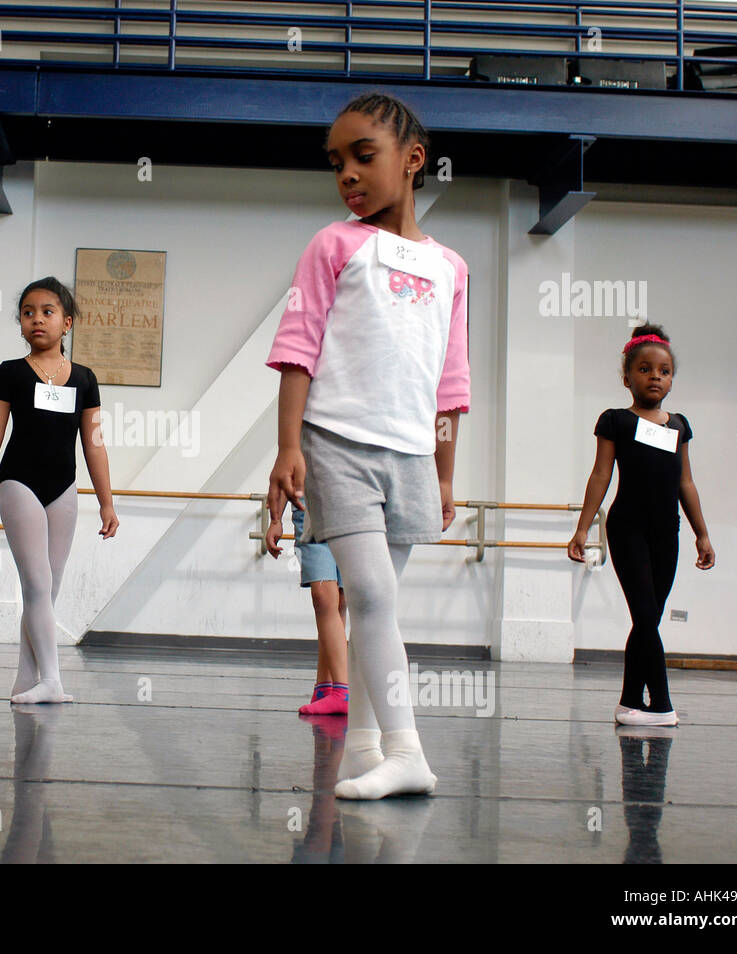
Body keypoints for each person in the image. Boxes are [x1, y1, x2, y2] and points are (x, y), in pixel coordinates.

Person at [265, 93, 470, 800]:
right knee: (373, 592)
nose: (347, 175)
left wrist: (445, 476)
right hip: (337, 442)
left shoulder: (452, 267)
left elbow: (451, 380)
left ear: (413, 160)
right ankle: (408, 751)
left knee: (376, 605)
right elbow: (298, 351)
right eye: (337, 164)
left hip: (412, 452)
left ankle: (360, 745)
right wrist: (288, 446)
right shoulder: (333, 246)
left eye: (363, 156)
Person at [0, 277, 118, 704]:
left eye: (48, 312)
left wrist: (107, 501)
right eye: (28, 312)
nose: (37, 319)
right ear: (20, 323)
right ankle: (52, 681)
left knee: (47, 590)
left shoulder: (85, 380)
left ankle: (25, 678)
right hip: (19, 483)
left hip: (64, 489)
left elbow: (94, 443)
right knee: (36, 583)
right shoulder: (11, 373)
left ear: (66, 323)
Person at [568, 324, 714, 727]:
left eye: (663, 371)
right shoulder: (615, 420)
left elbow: (686, 481)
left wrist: (702, 533)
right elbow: (600, 475)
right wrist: (583, 528)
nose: (655, 377)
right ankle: (663, 704)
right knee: (646, 613)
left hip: (667, 533)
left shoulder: (678, 426)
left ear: (671, 379)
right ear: (627, 376)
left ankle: (630, 701)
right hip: (628, 528)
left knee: (647, 618)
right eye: (645, 369)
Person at [267, 494, 349, 715]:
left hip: (351, 509)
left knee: (339, 600)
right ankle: (341, 691)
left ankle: (326, 687)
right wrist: (276, 520)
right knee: (324, 598)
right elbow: (287, 465)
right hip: (311, 509)